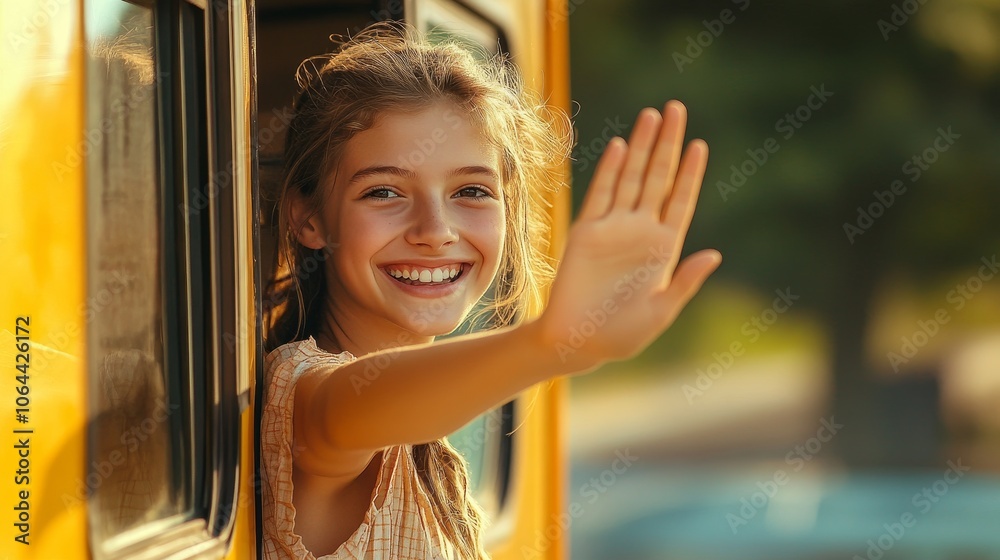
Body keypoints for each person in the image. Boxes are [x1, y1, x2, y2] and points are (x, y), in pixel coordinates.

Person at [260, 21, 721, 560]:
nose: (435, 230)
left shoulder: (432, 462)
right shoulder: (297, 391)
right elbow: (342, 414)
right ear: (308, 216)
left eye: (471, 191)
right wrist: (549, 344)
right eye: (383, 191)